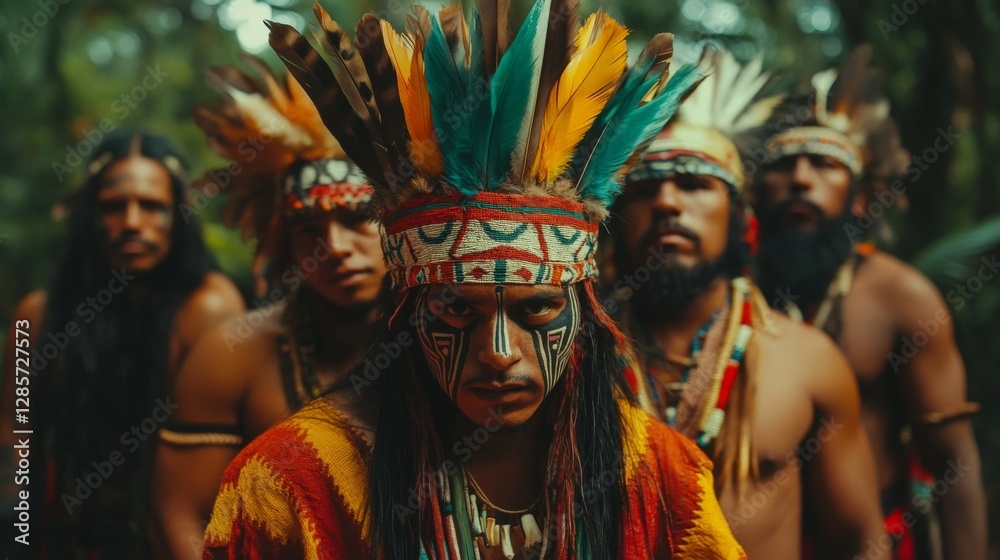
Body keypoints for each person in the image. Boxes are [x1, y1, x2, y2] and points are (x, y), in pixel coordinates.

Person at [202, 1, 746, 558]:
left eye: (536, 309)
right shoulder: (295, 480)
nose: (500, 354)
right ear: (406, 314)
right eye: (457, 310)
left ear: (585, 309)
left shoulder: (662, 474)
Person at [609, 47, 887, 559]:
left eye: (695, 185)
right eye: (645, 189)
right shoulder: (575, 358)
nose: (668, 202)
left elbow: (860, 541)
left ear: (743, 223)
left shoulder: (809, 361)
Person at [752, 45, 986, 560]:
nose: (800, 179)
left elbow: (954, 460)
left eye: (824, 165)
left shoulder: (900, 296)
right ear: (755, 193)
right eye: (784, 165)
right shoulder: (732, 298)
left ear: (860, 197)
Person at [151, 58, 386, 559]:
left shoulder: (457, 331)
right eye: (309, 228)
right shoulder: (231, 354)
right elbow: (182, 510)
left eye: (359, 216)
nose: (337, 246)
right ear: (282, 244)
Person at [0, 130, 244, 559]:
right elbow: (14, 432)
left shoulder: (210, 310)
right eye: (113, 206)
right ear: (88, 216)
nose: (132, 222)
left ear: (179, 216)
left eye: (152, 206)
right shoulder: (34, 317)